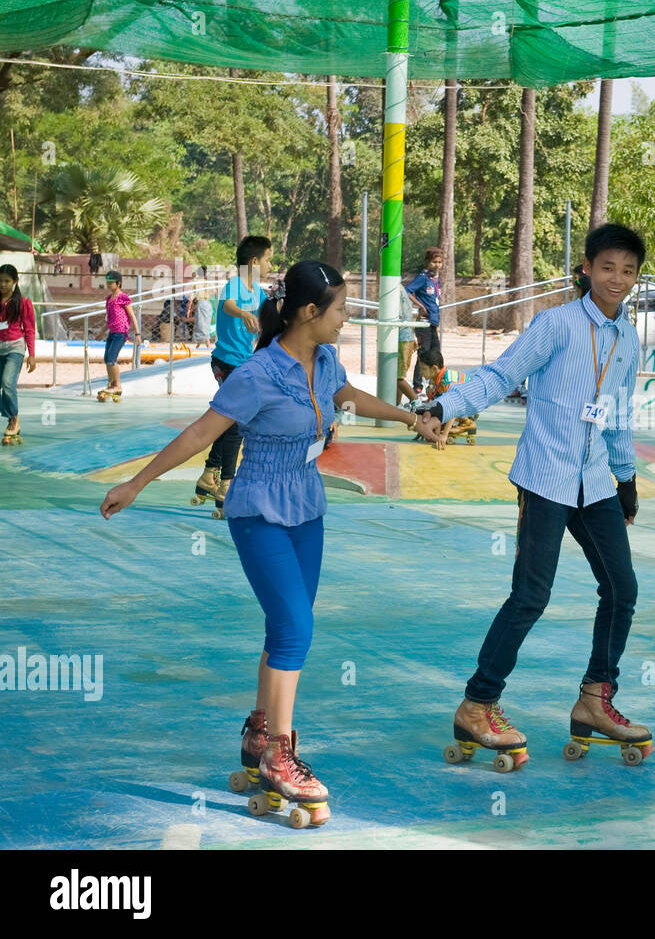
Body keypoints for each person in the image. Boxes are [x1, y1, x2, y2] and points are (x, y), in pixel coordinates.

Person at [100, 260, 439, 825]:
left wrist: (411, 417)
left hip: (307, 506)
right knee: (295, 629)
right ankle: (282, 754)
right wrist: (137, 482)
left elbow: (349, 396)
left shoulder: (325, 359)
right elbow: (200, 433)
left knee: (288, 622)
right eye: (340, 309)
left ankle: (261, 734)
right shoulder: (257, 374)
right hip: (258, 508)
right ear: (310, 312)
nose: (345, 318)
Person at [425, 223, 650, 769]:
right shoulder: (556, 325)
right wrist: (444, 407)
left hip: (595, 481)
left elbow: (617, 415)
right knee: (531, 596)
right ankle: (478, 704)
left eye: (627, 270)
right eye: (607, 267)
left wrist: (625, 479)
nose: (616, 279)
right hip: (546, 477)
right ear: (586, 270)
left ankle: (596, 699)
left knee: (622, 588)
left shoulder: (629, 337)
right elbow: (500, 376)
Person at [198, 237, 272, 516]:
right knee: (237, 421)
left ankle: (210, 472)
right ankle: (225, 484)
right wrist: (242, 313)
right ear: (253, 262)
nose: (269, 265)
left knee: (231, 421)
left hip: (244, 364)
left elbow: (270, 314)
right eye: (267, 259)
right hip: (226, 362)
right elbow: (228, 304)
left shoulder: (259, 291)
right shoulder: (235, 284)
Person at [0, 264, 37, 445]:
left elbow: (29, 329)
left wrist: (31, 354)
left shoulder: (23, 303)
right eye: (0, 281)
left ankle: (14, 419)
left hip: (15, 347)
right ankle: (11, 416)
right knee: (3, 386)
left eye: (7, 281)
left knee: (8, 383)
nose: (3, 285)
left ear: (15, 282)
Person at [405, 247, 442, 389]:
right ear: (428, 262)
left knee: (436, 354)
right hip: (423, 324)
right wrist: (421, 306)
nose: (437, 265)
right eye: (434, 262)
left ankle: (435, 384)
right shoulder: (423, 277)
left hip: (432, 323)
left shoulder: (436, 279)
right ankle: (417, 386)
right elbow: (407, 291)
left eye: (439, 262)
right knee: (424, 354)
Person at [100, 271, 141, 400]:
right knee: (107, 359)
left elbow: (132, 316)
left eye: (111, 282)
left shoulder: (123, 298)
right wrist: (101, 332)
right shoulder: (108, 300)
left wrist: (137, 333)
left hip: (121, 332)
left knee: (112, 358)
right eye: (107, 282)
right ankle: (111, 383)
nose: (108, 284)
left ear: (118, 283)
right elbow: (109, 319)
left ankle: (117, 385)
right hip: (112, 332)